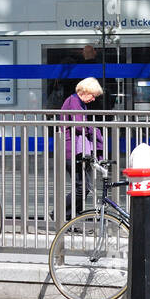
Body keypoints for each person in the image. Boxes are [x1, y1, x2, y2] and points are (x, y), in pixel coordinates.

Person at [61, 77, 104, 220]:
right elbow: (79, 125)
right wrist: (93, 129)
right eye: (93, 96)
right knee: (82, 186)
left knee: (83, 186)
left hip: (74, 149)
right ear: (85, 91)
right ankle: (61, 214)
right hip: (71, 149)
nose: (93, 100)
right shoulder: (74, 101)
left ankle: (73, 216)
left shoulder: (78, 103)